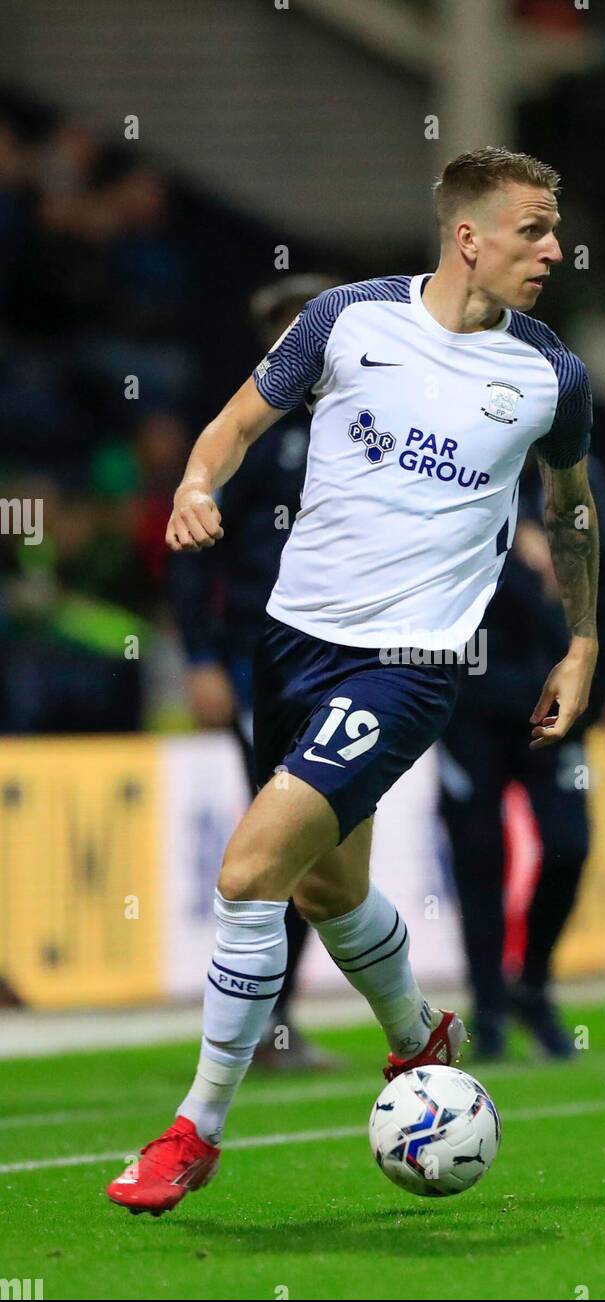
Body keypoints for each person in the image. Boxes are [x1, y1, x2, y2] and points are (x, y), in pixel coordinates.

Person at [107, 145, 599, 1217]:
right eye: (532, 229)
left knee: (248, 874)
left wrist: (582, 641)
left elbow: (570, 509)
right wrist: (195, 484)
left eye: (554, 230)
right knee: (328, 887)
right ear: (467, 235)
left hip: (409, 665)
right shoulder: (345, 320)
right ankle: (419, 1033)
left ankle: (194, 1129)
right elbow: (235, 423)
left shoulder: (547, 373)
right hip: (290, 646)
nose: (553, 249)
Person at [168, 274, 341, 1072]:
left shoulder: (356, 424)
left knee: (311, 845)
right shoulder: (248, 434)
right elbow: (187, 555)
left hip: (343, 655)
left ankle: (276, 1018)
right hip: (257, 660)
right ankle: (260, 1024)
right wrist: (201, 658)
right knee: (281, 843)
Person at [439, 454, 605, 1059]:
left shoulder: (577, 470)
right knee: (479, 856)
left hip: (552, 691)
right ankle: (490, 1009)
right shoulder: (457, 456)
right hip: (467, 696)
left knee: (569, 843)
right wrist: (508, 552)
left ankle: (532, 982)